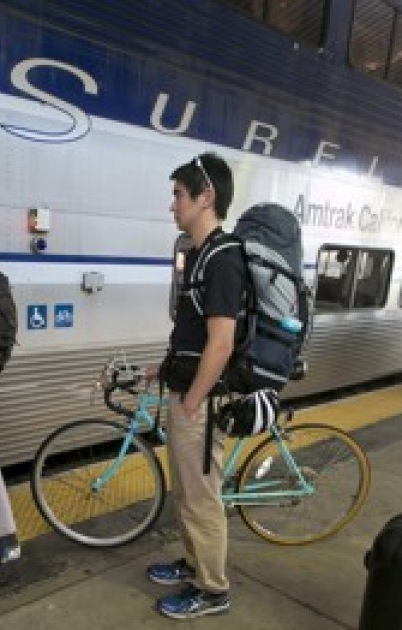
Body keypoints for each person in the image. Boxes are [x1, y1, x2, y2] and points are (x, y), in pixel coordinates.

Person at [148, 153, 241, 619]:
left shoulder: (223, 258)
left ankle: (213, 590)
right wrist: (161, 370)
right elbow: (191, 333)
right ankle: (194, 563)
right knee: (187, 492)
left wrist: (192, 403)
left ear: (206, 197)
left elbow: (221, 344)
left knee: (202, 498)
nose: (173, 205)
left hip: (199, 403)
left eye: (179, 195)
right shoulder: (200, 254)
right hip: (186, 391)